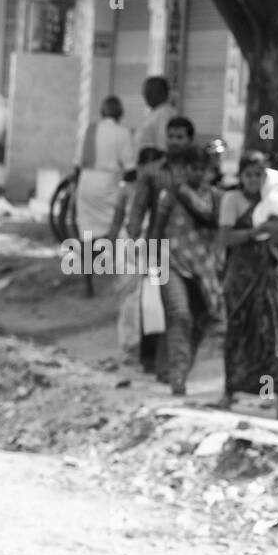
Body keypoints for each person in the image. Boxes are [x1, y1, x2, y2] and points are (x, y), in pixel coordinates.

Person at [218, 151, 278, 419]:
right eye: (249, 175)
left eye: (259, 174)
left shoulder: (273, 202)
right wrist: (255, 232)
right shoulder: (232, 200)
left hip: (267, 278)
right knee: (239, 333)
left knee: (273, 335)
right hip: (240, 278)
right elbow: (225, 237)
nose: (254, 180)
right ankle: (232, 391)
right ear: (241, 176)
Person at [123, 115, 197, 376]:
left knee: (185, 309)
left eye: (180, 137)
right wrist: (133, 236)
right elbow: (139, 206)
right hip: (158, 248)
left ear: (190, 139)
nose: (175, 142)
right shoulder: (153, 171)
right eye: (171, 136)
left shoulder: (196, 171)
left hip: (192, 250)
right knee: (157, 305)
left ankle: (176, 364)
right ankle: (154, 361)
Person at [149, 147, 221, 396]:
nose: (198, 173)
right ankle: (177, 376)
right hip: (171, 263)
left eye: (202, 169)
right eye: (194, 168)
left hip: (203, 268)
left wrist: (183, 191)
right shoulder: (169, 195)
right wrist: (151, 259)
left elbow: (211, 218)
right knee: (180, 315)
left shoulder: (213, 196)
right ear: (185, 169)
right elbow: (156, 228)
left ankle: (180, 368)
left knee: (201, 320)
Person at [75, 96, 134, 240]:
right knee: (109, 231)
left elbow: (76, 165)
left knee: (87, 230)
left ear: (102, 112)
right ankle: (105, 261)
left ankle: (88, 261)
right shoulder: (122, 132)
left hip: (85, 183)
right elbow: (131, 170)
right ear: (120, 113)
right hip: (108, 186)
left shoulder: (88, 130)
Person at [134, 76, 177, 164]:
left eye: (150, 92)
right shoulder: (155, 112)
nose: (146, 95)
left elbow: (163, 146)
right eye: (145, 91)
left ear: (163, 93)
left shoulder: (164, 114)